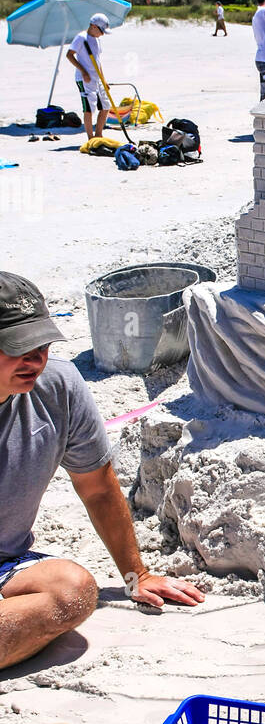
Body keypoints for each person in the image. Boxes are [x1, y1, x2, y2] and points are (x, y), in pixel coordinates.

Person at [0, 273, 204, 670]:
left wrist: (136, 576)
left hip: (7, 560)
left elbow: (97, 488)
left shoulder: (57, 385)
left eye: (41, 345)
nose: (36, 360)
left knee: (74, 591)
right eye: (17, 348)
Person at [66, 13, 111, 142]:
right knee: (89, 109)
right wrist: (83, 71)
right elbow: (69, 55)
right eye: (101, 31)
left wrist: (104, 79)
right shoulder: (81, 38)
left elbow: (98, 61)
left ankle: (98, 135)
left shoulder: (97, 40)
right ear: (93, 26)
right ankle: (90, 139)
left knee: (105, 106)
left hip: (97, 78)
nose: (102, 34)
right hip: (84, 78)